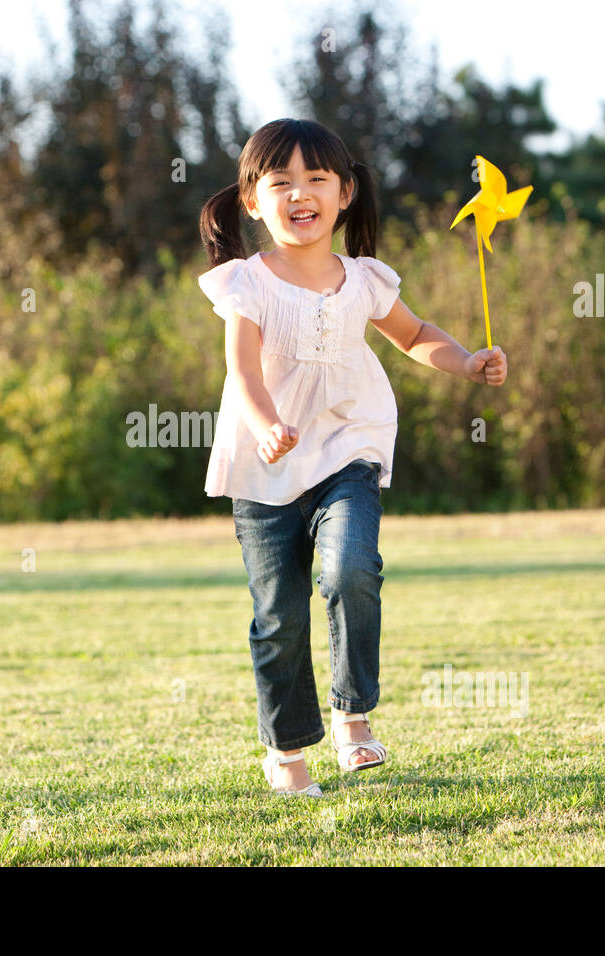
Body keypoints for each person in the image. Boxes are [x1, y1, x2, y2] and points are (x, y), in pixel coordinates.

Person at [197, 118, 508, 797]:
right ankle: (286, 752)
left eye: (317, 179)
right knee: (279, 615)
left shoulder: (364, 279)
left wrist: (465, 361)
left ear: (344, 193)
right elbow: (243, 372)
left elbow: (415, 334)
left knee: (351, 567)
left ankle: (352, 714)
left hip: (348, 448)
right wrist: (267, 424)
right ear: (253, 200)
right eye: (281, 182)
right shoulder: (246, 284)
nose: (300, 193)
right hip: (266, 463)